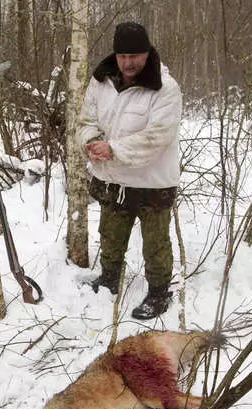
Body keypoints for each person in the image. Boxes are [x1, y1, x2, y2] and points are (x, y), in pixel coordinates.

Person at [76, 22, 182, 320]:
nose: (129, 62)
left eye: (135, 55)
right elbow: (85, 121)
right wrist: (91, 142)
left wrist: (114, 149)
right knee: (110, 234)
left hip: (153, 181)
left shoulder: (165, 87)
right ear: (115, 54)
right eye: (123, 55)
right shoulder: (101, 81)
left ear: (148, 53)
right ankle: (109, 279)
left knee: (155, 243)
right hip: (113, 178)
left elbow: (159, 136)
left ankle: (159, 293)